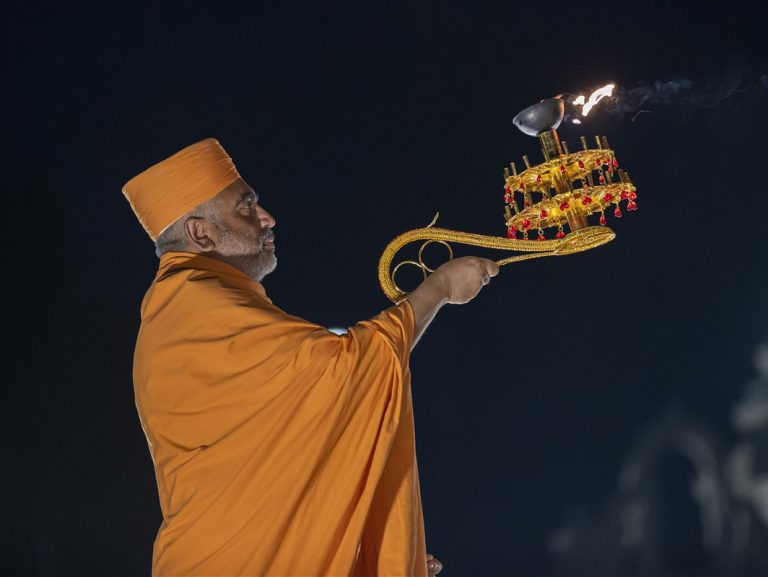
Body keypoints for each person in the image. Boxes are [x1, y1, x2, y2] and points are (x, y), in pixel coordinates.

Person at [123, 138, 498, 576]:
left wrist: (359, 554)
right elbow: (345, 371)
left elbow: (289, 452)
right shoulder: (194, 303)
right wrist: (440, 288)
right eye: (246, 206)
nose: (267, 218)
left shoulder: (183, 305)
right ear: (201, 233)